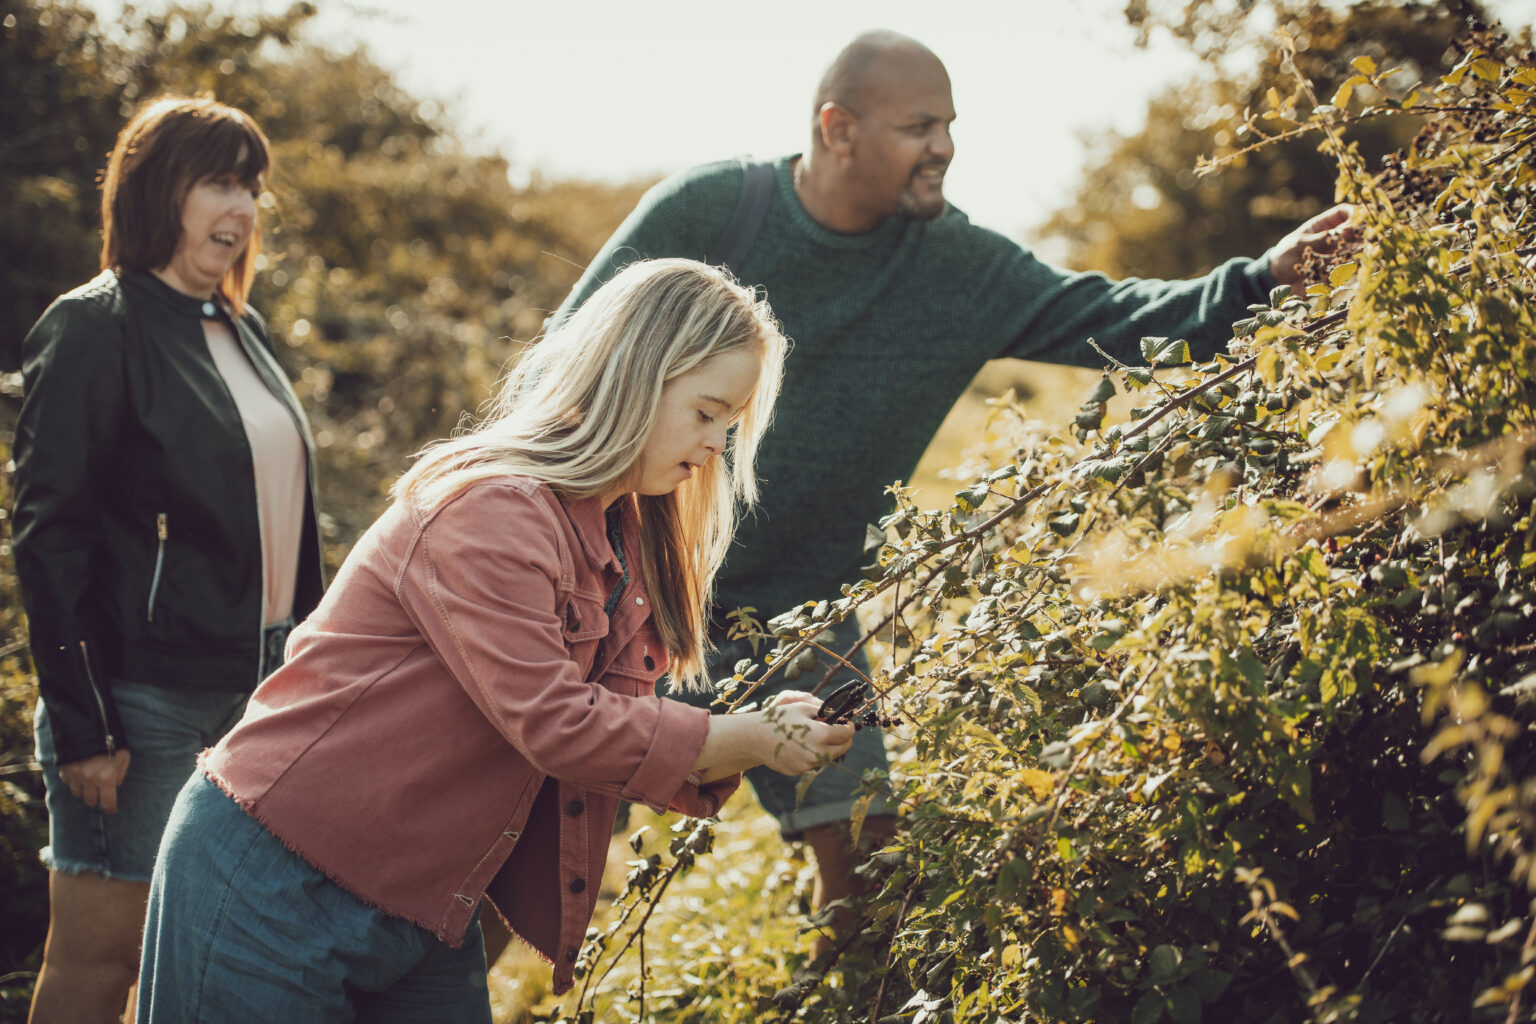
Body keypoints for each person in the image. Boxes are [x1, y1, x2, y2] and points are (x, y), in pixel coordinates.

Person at [548, 29, 1355, 948]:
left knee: (872, 869)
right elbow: (565, 367)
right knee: (517, 840)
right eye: (919, 126)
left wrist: (1261, 281)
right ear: (838, 128)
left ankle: (845, 1004)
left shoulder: (956, 263)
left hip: (802, 611)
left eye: (950, 126)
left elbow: (1114, 317)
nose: (944, 147)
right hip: (626, 592)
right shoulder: (714, 210)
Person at [132, 257, 854, 1022]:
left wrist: (762, 733)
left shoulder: (623, 535)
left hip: (420, 908)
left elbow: (610, 732)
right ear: (636, 376)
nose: (716, 444)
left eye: (730, 425)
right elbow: (557, 724)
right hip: (273, 876)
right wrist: (745, 737)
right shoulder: (492, 510)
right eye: (705, 412)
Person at [12, 97, 325, 1023]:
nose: (243, 208)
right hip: (138, 705)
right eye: (219, 181)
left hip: (258, 692)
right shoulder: (94, 326)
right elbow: (48, 534)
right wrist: (84, 722)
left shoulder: (242, 330)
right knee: (99, 959)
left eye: (253, 187)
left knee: (221, 953)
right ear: (159, 190)